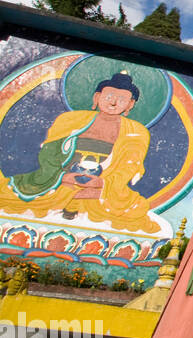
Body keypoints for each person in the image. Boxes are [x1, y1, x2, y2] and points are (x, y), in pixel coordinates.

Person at [0, 71, 159, 233]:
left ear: (130, 104)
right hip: (59, 181)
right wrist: (62, 176)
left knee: (137, 208)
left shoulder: (136, 132)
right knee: (6, 191)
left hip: (101, 190)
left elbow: (129, 166)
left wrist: (102, 183)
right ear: (97, 97)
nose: (114, 102)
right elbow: (48, 155)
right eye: (109, 96)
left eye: (122, 99)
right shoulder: (69, 119)